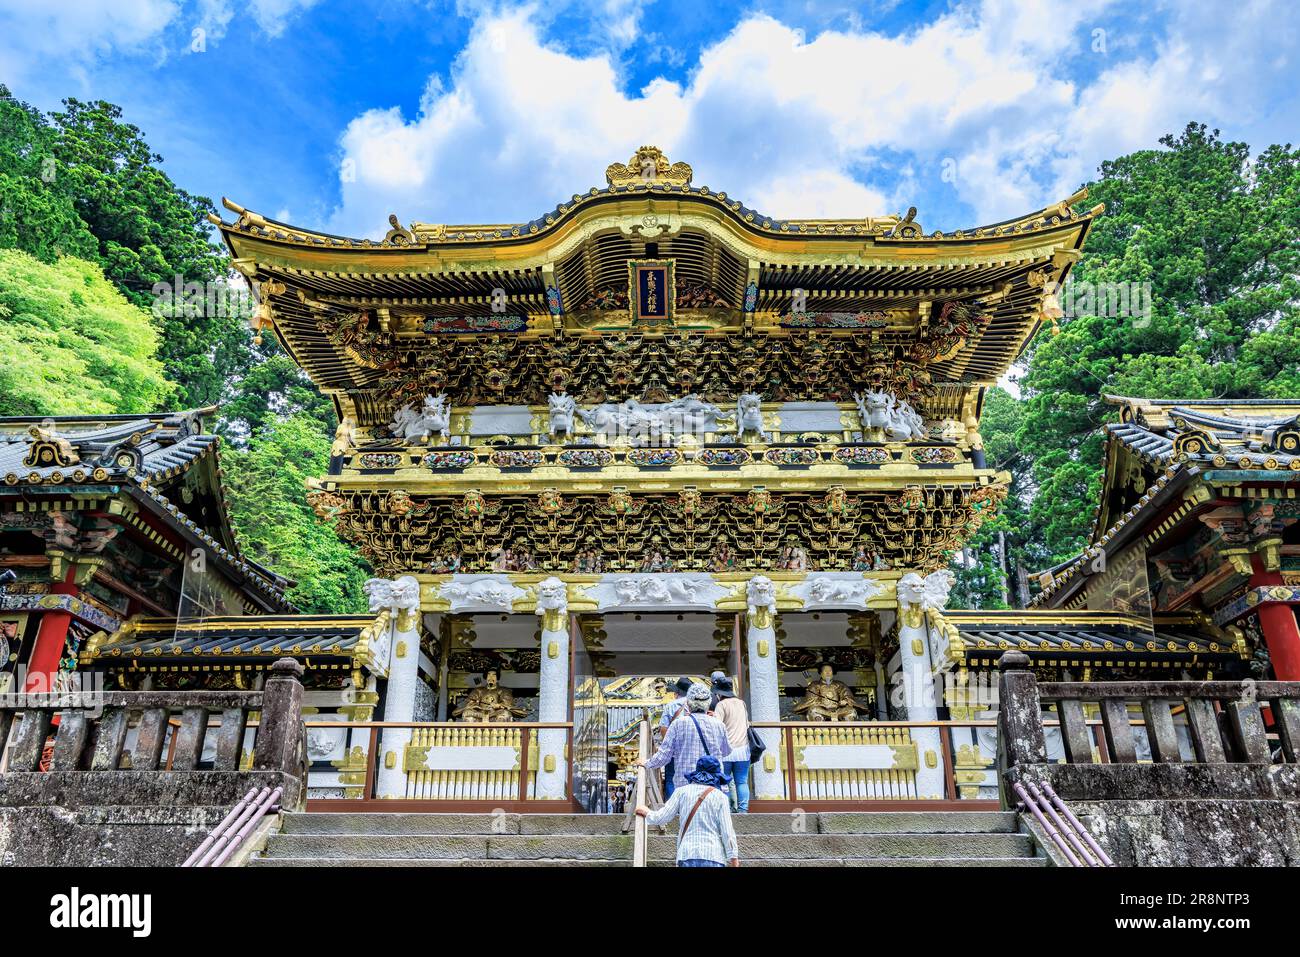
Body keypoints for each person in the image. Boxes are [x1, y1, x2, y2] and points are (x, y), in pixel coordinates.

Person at [636, 755, 739, 867]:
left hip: (687, 855)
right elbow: (727, 831)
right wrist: (733, 858)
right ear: (716, 777)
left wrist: (647, 812)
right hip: (713, 856)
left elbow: (662, 817)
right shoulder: (721, 797)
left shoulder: (681, 792)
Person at [640, 682, 731, 794]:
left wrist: (646, 763)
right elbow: (726, 751)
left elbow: (664, 756)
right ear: (708, 703)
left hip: (685, 785)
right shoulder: (719, 725)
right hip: (712, 786)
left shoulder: (678, 724)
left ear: (688, 703)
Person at [711, 677, 751, 813]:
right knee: (742, 782)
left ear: (719, 693)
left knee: (724, 782)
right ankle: (743, 810)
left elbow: (716, 726)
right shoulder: (741, 703)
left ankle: (726, 809)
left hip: (726, 751)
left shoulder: (721, 705)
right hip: (743, 749)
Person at [658, 677, 692, 797]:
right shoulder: (694, 705)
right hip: (691, 749)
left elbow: (663, 728)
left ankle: (673, 808)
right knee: (691, 777)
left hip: (674, 749)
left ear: (676, 693)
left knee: (671, 778)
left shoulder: (671, 706)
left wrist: (667, 744)